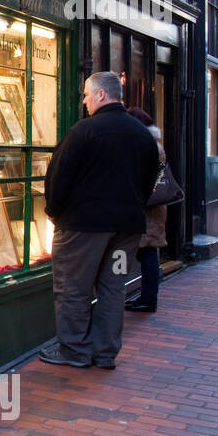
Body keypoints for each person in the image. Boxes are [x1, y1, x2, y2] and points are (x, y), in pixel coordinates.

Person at [39, 72, 159, 369]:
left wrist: (55, 212)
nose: (85, 101)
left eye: (87, 95)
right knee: (112, 287)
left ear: (101, 95)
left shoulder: (83, 131)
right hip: (126, 230)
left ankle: (74, 350)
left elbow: (58, 177)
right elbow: (150, 181)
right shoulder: (142, 134)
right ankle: (105, 352)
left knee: (73, 287)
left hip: (83, 228)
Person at [124, 107, 165, 312]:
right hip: (151, 206)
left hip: (147, 207)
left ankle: (148, 299)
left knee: (145, 252)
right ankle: (147, 296)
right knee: (146, 252)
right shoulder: (153, 143)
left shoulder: (147, 145)